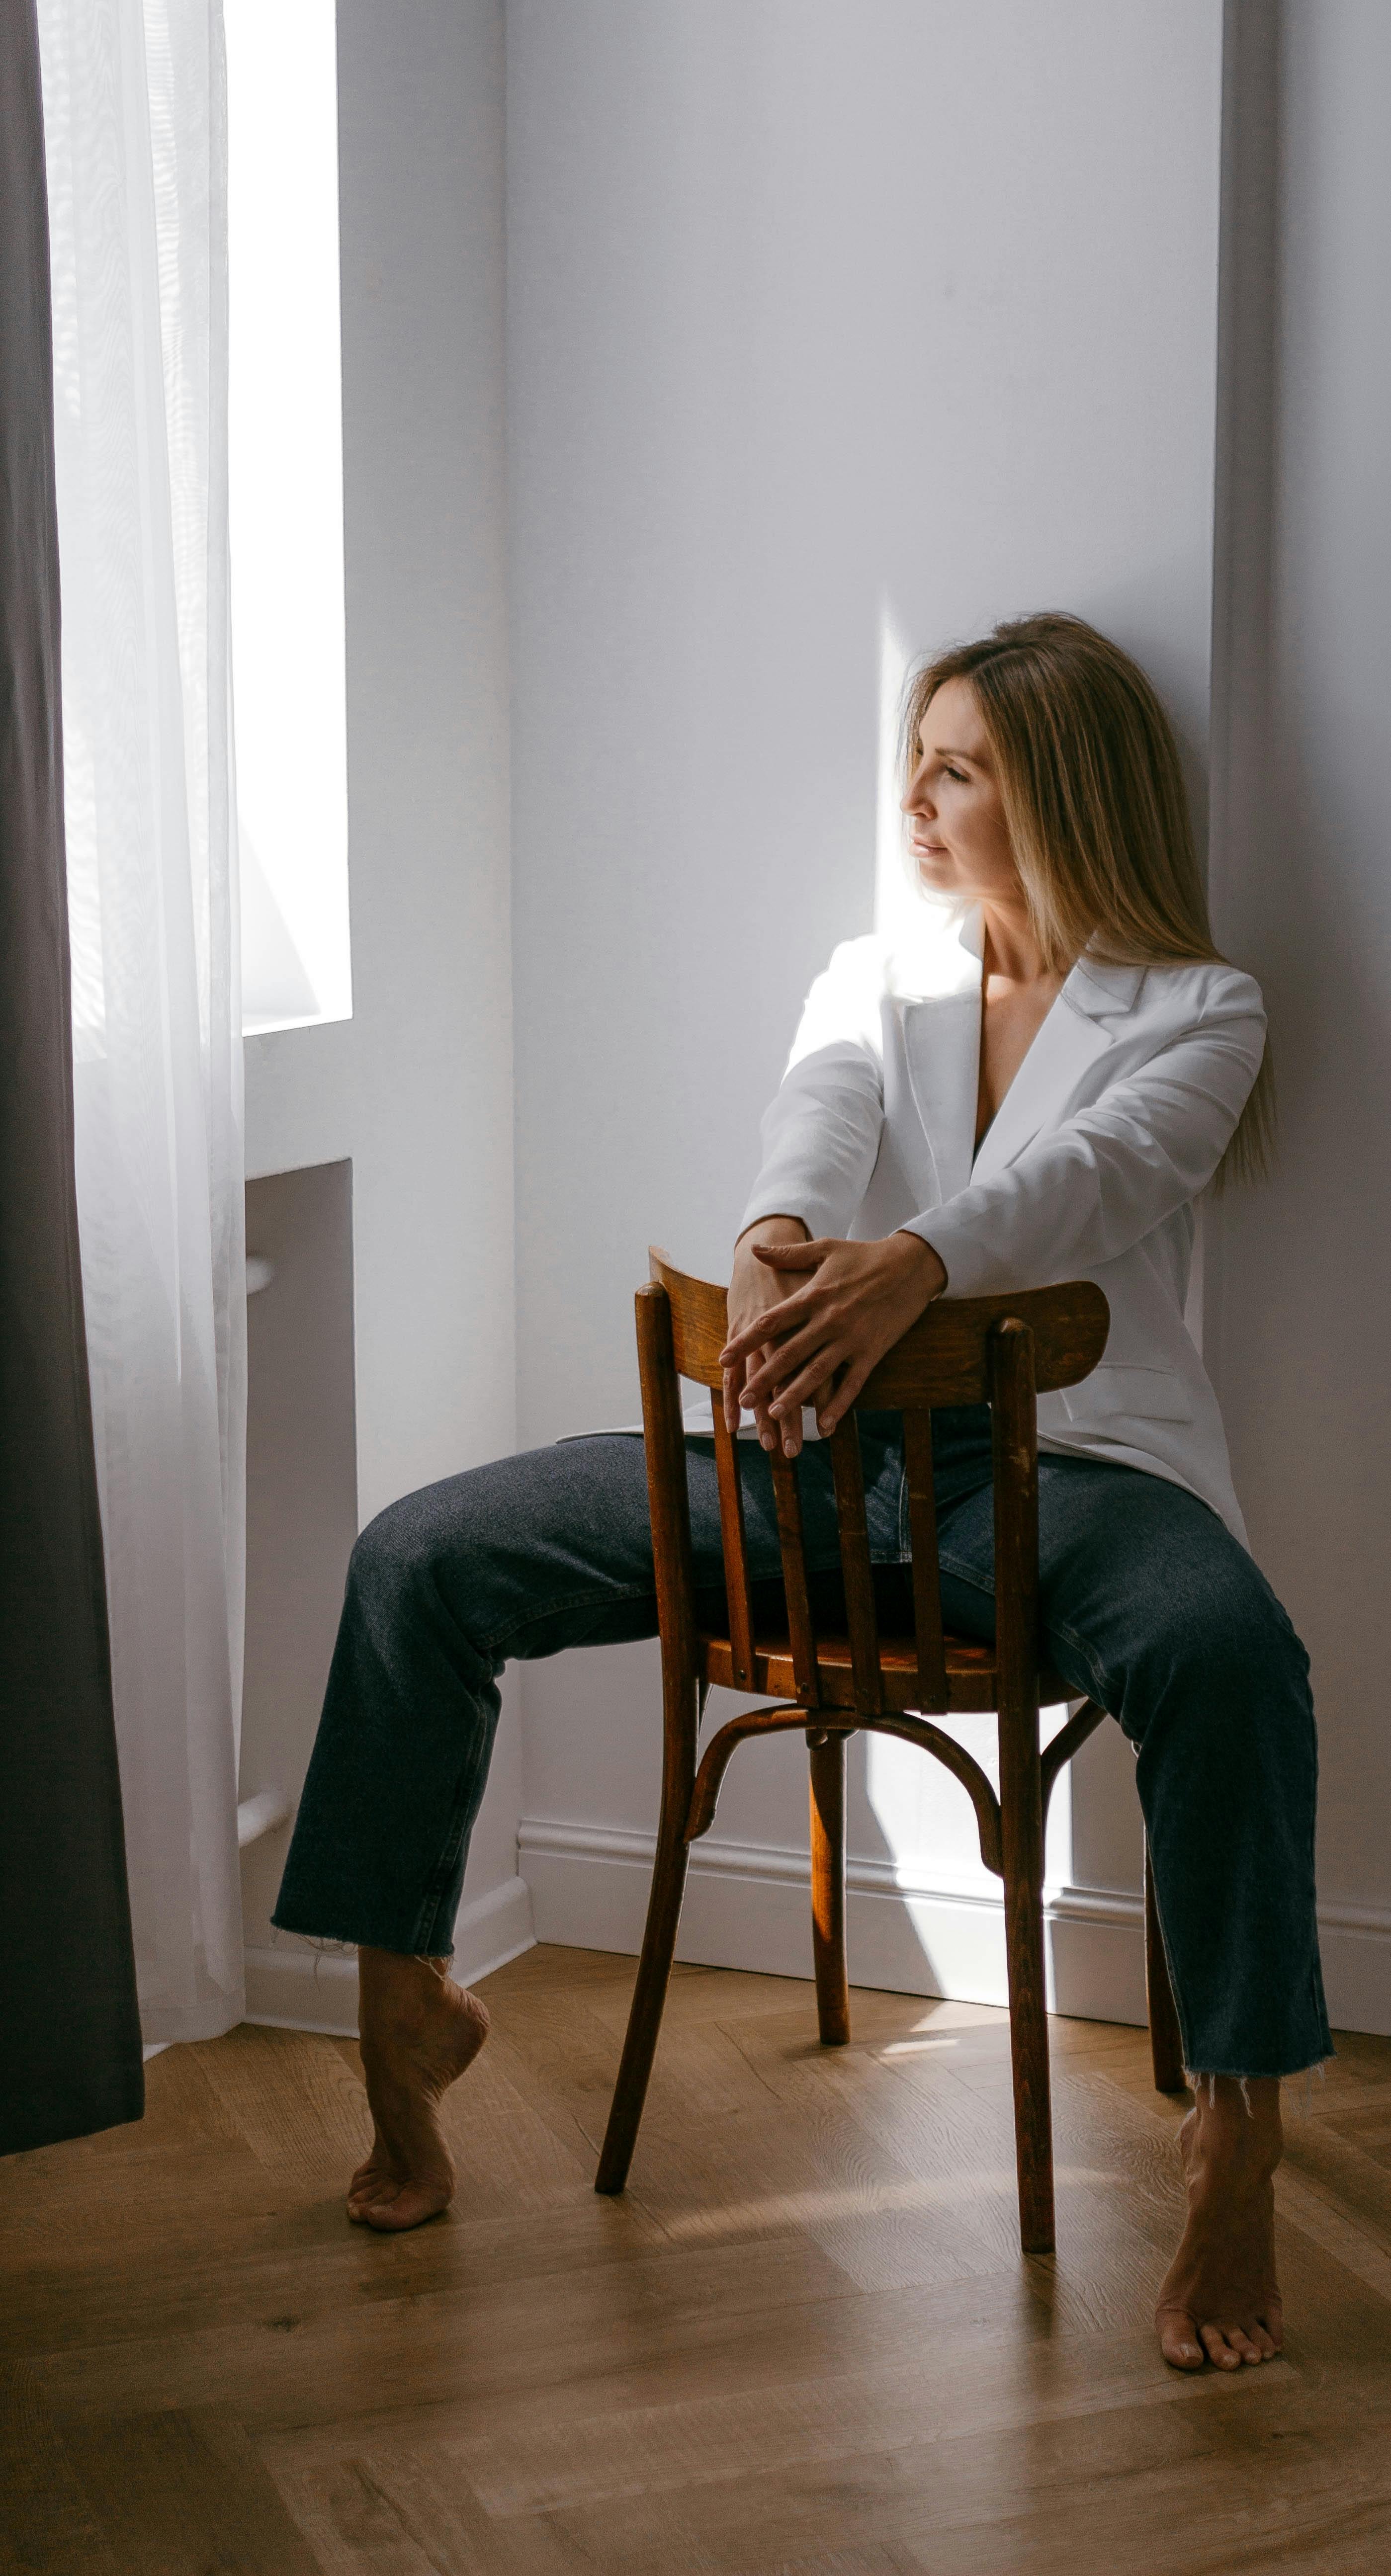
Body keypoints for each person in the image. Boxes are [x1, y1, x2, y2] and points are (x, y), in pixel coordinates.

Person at [271, 610, 1330, 2375]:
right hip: (821, 1475)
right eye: (910, 764)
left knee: (1231, 1655)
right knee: (420, 1555)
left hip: (1074, 1474)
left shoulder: (1204, 1010)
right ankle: (404, 2006)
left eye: (958, 770)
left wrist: (916, 1260)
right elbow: (822, 1108)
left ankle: (1241, 2123)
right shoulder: (877, 973)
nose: (913, 802)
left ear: (1059, 792)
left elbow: (1098, 1175)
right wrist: (776, 1235)